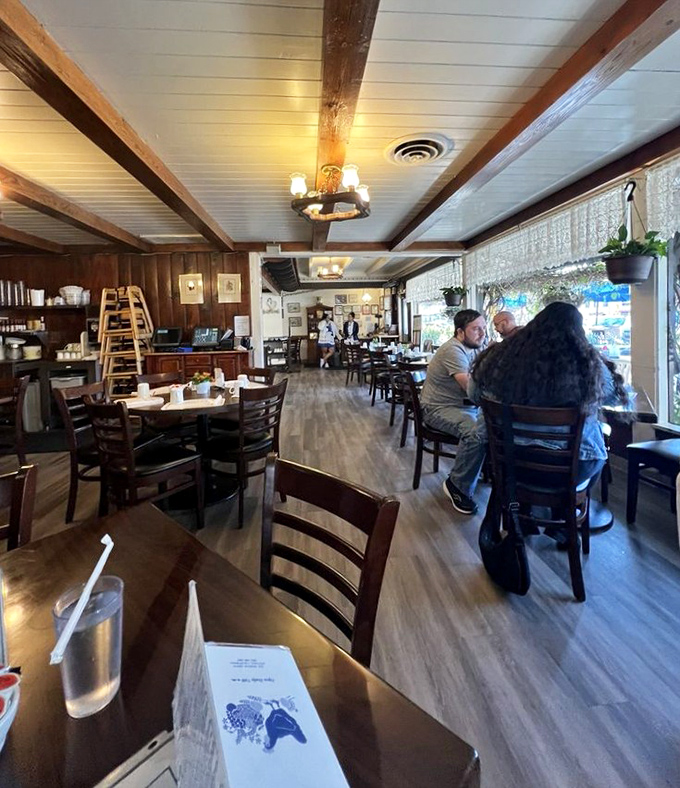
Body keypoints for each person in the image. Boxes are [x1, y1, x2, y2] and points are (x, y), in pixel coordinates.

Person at [471, 301, 628, 514]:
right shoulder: (587, 363)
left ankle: (526, 514)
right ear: (578, 331)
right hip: (573, 467)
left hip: (512, 462)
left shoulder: (503, 357)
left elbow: (475, 394)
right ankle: (564, 519)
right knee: (593, 453)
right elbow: (613, 398)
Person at [421, 309, 488, 515]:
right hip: (437, 408)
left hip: (463, 407)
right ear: (460, 332)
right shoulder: (453, 350)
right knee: (477, 433)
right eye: (476, 329)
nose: (482, 333)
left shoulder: (475, 348)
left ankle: (478, 469)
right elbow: (470, 388)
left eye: (484, 328)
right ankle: (457, 485)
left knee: (492, 426)